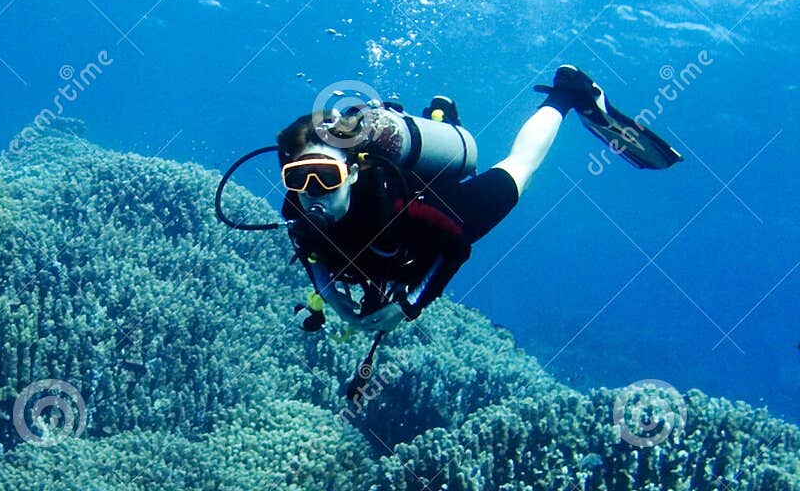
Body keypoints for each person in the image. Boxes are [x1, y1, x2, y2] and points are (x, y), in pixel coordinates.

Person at [277, 65, 680, 339]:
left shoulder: (393, 206)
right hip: (393, 252)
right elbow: (314, 255)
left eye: (326, 177)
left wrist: (409, 306)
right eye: (298, 179)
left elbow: (457, 247)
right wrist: (336, 303)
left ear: (353, 170)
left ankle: (566, 97)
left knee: (520, 167)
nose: (313, 191)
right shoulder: (295, 210)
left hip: (448, 208)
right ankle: (440, 117)